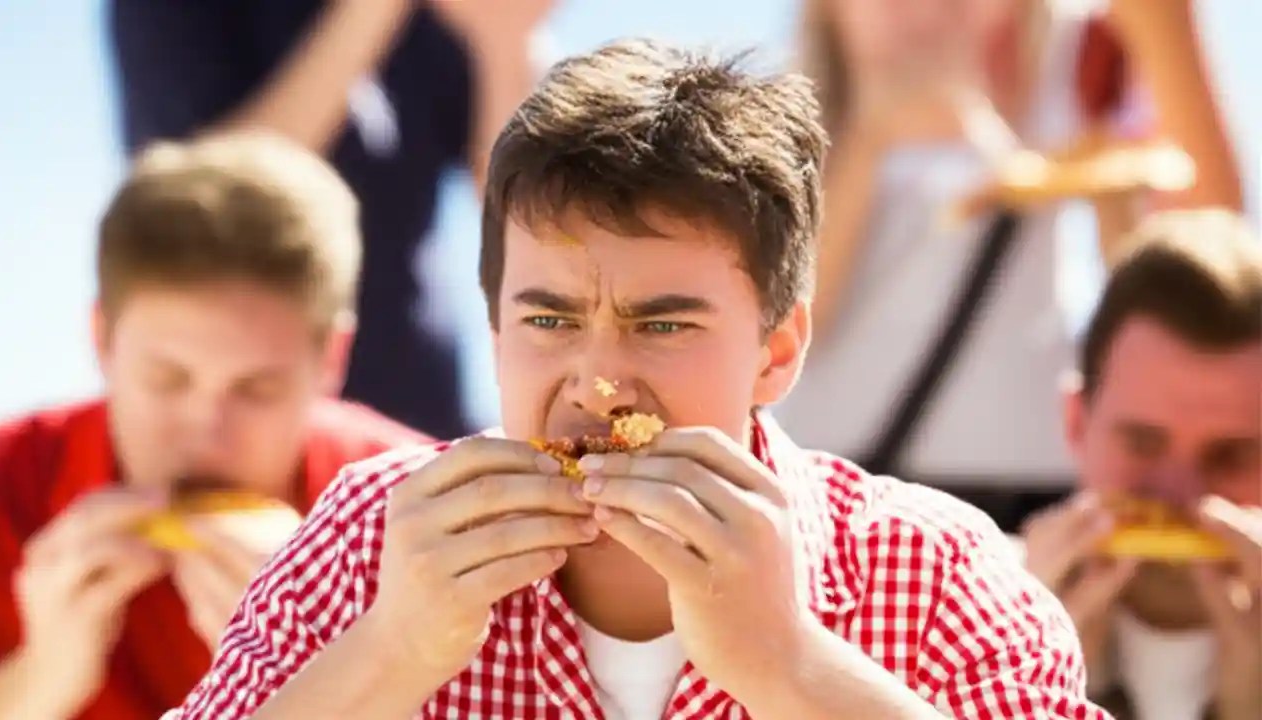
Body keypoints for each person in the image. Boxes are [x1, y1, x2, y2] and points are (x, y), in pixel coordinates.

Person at [163, 40, 1108, 720]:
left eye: (662, 324)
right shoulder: (369, 541)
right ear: (494, 335)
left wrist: (788, 667)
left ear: (776, 351)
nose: (600, 381)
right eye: (549, 320)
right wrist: (390, 655)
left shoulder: (934, 572)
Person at [0, 133, 432, 720]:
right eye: (167, 379)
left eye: (256, 389)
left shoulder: (419, 512)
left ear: (331, 359)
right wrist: (44, 676)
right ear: (102, 340)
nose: (205, 432)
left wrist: (345, 675)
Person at [775, 0, 1244, 528]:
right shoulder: (793, 102)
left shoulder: (1084, 57)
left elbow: (1211, 258)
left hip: (1038, 483)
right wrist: (870, 138)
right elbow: (777, 320)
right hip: (849, 485)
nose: (928, 15)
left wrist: (1162, 33)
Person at [108, 0, 558, 439]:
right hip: (237, 420)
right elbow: (199, 202)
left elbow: (529, 226)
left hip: (417, 409)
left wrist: (502, 38)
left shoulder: (433, 20)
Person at [1020, 209, 1261, 720]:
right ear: (1075, 424)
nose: (1180, 490)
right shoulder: (949, 613)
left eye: (1232, 454)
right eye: (1143, 442)